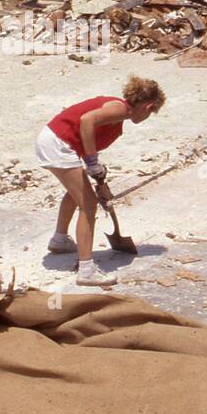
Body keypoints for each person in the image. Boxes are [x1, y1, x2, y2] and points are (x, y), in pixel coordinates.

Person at [36, 76, 166, 287]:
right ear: (148, 106)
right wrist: (92, 161)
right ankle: (86, 270)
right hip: (58, 144)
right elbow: (87, 120)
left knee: (77, 192)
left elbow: (89, 139)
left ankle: (59, 240)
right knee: (88, 205)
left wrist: (101, 183)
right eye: (151, 112)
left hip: (54, 141)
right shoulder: (121, 110)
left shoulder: (117, 111)